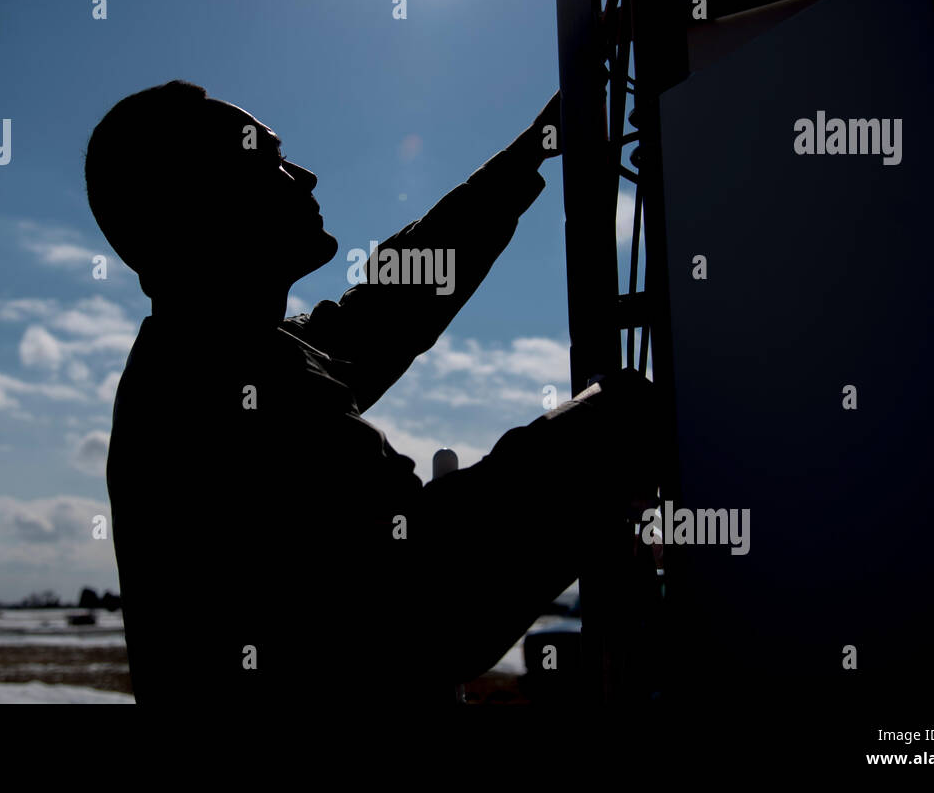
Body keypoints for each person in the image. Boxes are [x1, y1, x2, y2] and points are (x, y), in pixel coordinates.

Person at [85, 80, 661, 709]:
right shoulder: (219, 387)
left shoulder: (219, 357)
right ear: (198, 205)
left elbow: (390, 305)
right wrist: (606, 429)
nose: (302, 174)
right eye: (267, 159)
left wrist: (527, 155)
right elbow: (432, 597)